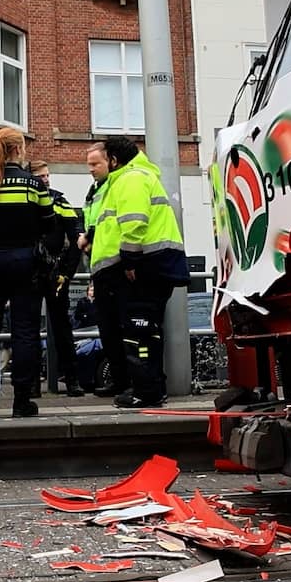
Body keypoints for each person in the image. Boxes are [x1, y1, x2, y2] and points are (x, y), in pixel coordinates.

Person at [90, 136, 189, 408]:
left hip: (145, 265)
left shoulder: (130, 178)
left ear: (113, 159)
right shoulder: (131, 177)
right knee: (142, 328)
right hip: (150, 264)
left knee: (139, 329)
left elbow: (134, 222)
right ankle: (150, 387)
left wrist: (130, 261)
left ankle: (146, 392)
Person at [0, 127, 55, 418]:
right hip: (24, 261)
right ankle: (22, 401)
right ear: (17, 150)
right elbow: (49, 224)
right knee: (25, 332)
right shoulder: (32, 184)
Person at [29, 160, 84, 397]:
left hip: (55, 273)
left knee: (62, 328)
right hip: (29, 272)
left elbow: (76, 238)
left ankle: (71, 380)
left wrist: (66, 271)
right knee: (28, 329)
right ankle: (31, 384)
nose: (46, 180)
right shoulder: (25, 201)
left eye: (47, 175)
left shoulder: (59, 200)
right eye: (41, 176)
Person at [78, 142, 129, 398]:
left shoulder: (115, 185)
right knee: (107, 328)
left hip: (116, 264)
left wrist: (88, 235)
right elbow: (90, 217)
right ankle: (118, 380)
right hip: (100, 264)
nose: (91, 169)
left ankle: (126, 381)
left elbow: (109, 219)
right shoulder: (95, 188)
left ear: (111, 161)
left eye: (95, 163)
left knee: (121, 327)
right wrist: (84, 234)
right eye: (89, 164)